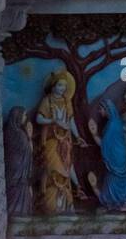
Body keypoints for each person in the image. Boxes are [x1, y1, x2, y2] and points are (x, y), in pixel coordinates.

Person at [34, 70, 87, 213]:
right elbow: (38, 119)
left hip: (66, 141)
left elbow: (70, 121)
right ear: (53, 86)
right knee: (53, 169)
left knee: (66, 169)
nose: (62, 88)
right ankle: (51, 206)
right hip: (51, 141)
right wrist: (53, 120)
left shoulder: (66, 101)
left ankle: (65, 206)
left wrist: (77, 136)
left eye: (64, 86)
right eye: (59, 85)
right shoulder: (47, 100)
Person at [86, 100, 126, 211]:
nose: (99, 111)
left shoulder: (112, 125)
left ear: (107, 109)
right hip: (122, 156)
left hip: (115, 158)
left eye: (101, 109)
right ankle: (125, 204)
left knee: (113, 180)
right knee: (121, 180)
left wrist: (93, 134)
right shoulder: (115, 122)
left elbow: (103, 144)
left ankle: (116, 203)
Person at [3, 107, 34, 217]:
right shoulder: (20, 135)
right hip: (19, 171)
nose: (25, 118)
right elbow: (29, 151)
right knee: (19, 190)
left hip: (11, 169)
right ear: (18, 116)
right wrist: (29, 137)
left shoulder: (7, 132)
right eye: (24, 115)